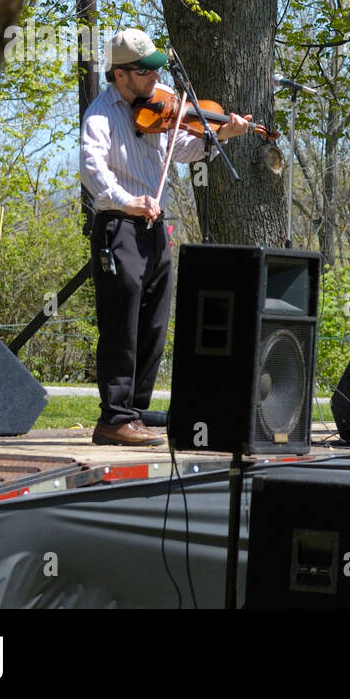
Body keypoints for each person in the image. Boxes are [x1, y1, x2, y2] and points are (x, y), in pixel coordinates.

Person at [81, 28, 250, 446]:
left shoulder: (158, 106)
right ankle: (113, 418)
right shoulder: (101, 115)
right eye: (145, 73)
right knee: (122, 323)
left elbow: (184, 148)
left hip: (155, 227)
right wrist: (127, 201)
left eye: (157, 71)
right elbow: (92, 170)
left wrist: (221, 135)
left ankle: (134, 413)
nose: (156, 81)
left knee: (154, 322)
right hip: (119, 226)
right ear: (120, 75)